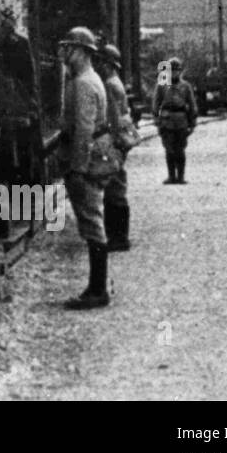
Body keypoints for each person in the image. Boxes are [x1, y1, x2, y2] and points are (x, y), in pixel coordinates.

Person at [57, 26, 115, 309]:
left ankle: (97, 290)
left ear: (81, 52)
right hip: (96, 153)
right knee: (92, 219)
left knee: (92, 220)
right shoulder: (85, 79)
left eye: (68, 48)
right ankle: (96, 287)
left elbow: (83, 130)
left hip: (89, 158)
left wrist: (77, 169)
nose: (64, 53)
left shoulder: (82, 83)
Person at [98, 44, 134, 251]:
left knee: (114, 189)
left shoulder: (109, 85)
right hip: (121, 139)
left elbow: (111, 117)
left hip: (115, 140)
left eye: (102, 62)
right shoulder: (116, 82)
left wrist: (109, 143)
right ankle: (118, 236)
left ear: (108, 64)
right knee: (116, 186)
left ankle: (119, 237)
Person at [153, 57, 197, 184]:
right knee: (169, 149)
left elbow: (192, 104)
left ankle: (181, 176)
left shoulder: (186, 86)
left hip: (181, 120)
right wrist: (156, 118)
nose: (174, 73)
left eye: (177, 71)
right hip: (166, 121)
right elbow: (156, 103)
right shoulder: (162, 85)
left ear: (181, 72)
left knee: (180, 149)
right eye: (172, 71)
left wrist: (192, 122)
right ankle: (171, 176)